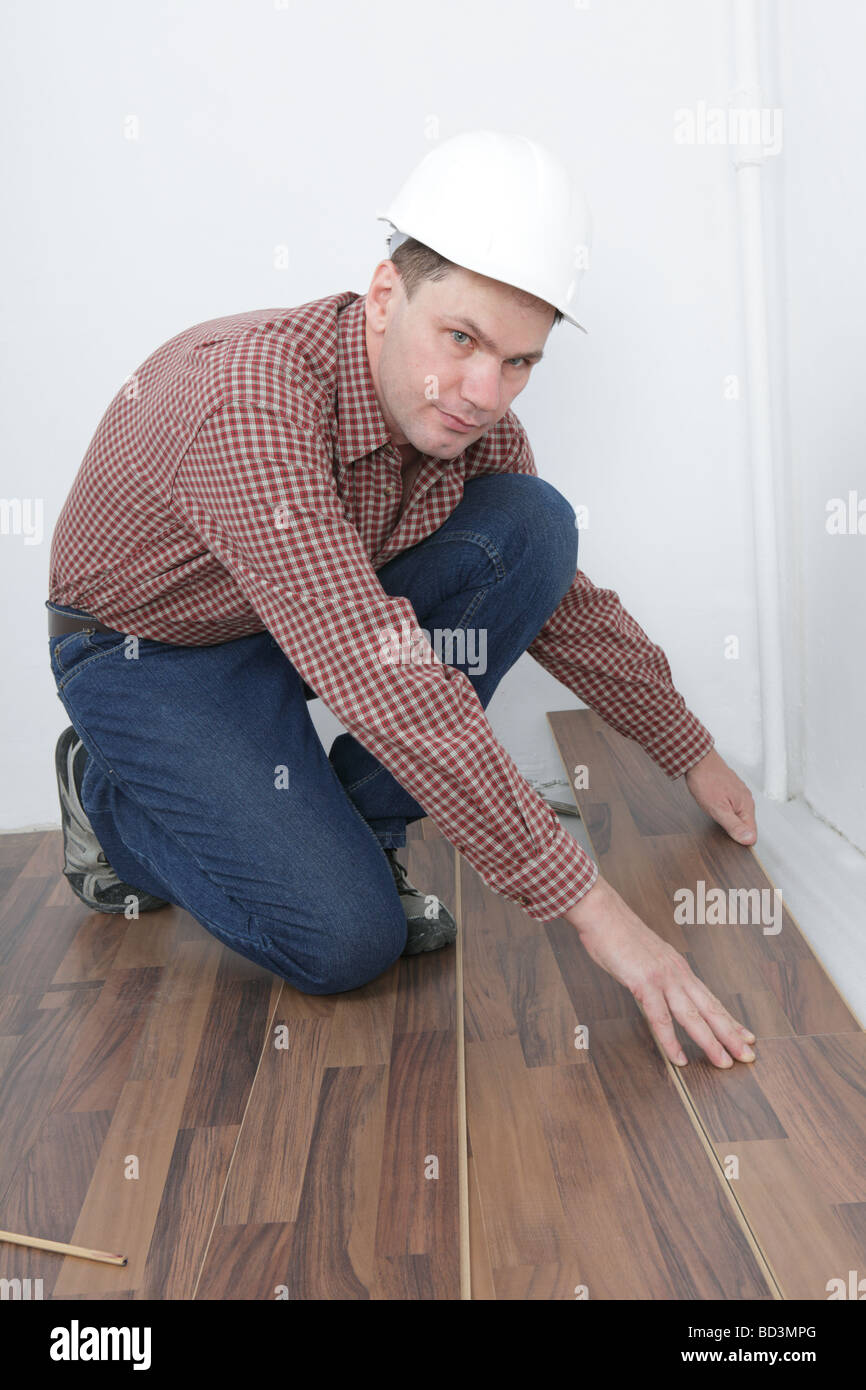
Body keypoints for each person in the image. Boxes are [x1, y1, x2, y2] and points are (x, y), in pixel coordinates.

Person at [47, 129, 757, 1070]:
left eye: (518, 363)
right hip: (150, 656)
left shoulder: (461, 417)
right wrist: (601, 918)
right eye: (461, 339)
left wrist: (691, 750)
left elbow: (562, 604)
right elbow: (379, 673)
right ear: (386, 297)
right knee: (347, 944)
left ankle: (358, 833)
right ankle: (111, 801)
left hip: (289, 626)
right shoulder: (251, 401)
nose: (482, 392)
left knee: (534, 525)